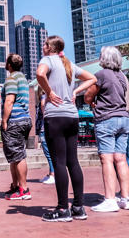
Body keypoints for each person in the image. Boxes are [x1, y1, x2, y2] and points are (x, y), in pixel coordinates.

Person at [36, 35, 97, 222]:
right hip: (72, 116)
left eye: (45, 44)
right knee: (73, 161)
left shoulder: (48, 60)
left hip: (56, 117)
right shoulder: (68, 63)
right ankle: (78, 207)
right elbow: (92, 78)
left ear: (49, 47)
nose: (43, 47)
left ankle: (63, 209)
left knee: (59, 162)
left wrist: (49, 91)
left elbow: (40, 74)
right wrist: (76, 91)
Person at [84, 46, 129, 212]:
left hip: (107, 120)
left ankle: (110, 199)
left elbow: (88, 95)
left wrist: (92, 102)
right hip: (124, 120)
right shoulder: (122, 76)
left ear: (104, 58)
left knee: (107, 159)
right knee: (121, 159)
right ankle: (126, 198)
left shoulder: (101, 74)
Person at [1, 53, 32, 201]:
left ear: (9, 65)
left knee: (18, 155)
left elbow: (9, 101)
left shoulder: (11, 79)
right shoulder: (23, 79)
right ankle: (16, 186)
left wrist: (4, 120)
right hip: (25, 119)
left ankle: (24, 189)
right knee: (15, 155)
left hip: (15, 120)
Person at [35, 85, 55, 184]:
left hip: (44, 128)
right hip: (50, 128)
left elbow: (42, 105)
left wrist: (44, 114)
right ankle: (51, 173)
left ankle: (52, 174)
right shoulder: (50, 97)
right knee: (52, 152)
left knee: (48, 153)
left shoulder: (43, 96)